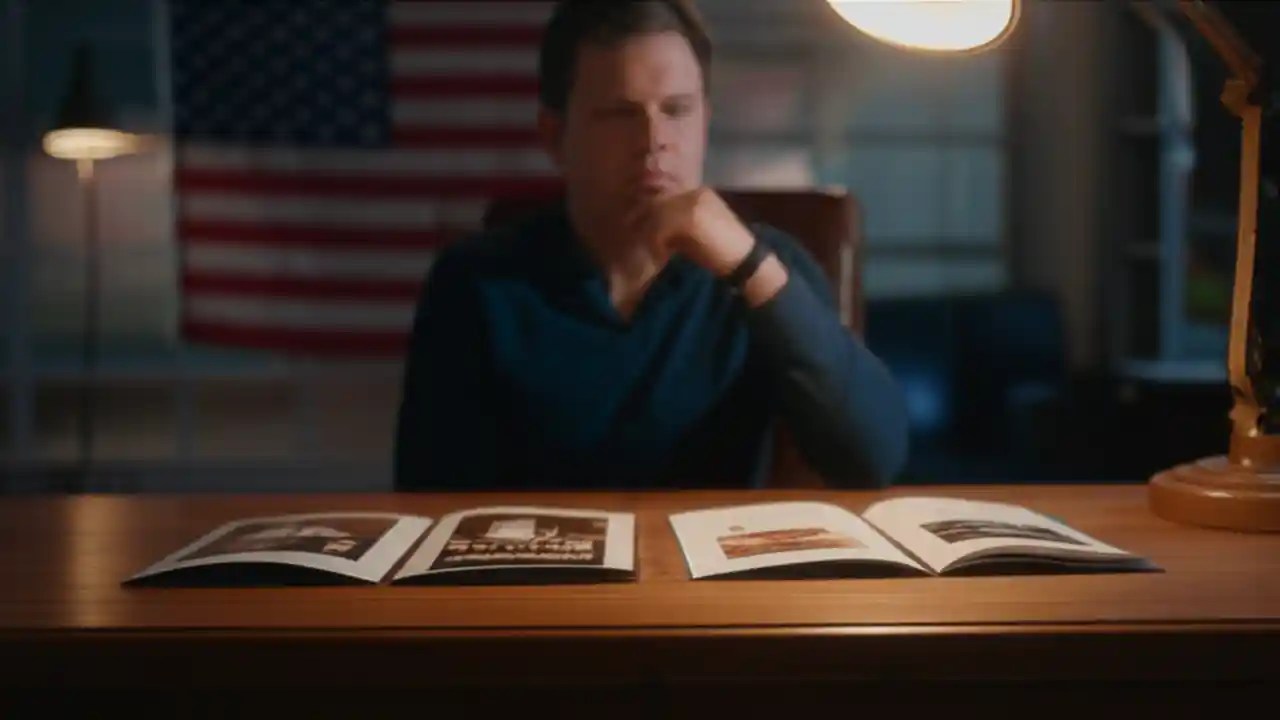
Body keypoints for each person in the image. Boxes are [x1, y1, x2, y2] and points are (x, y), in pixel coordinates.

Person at [394, 0, 909, 491]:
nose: (654, 140)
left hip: (707, 576)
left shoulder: (767, 268)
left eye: (677, 110)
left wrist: (751, 268)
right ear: (555, 137)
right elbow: (432, 504)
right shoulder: (476, 282)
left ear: (706, 122)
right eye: (620, 114)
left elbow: (873, 459)